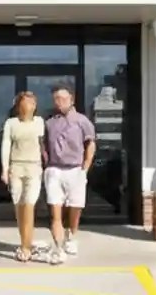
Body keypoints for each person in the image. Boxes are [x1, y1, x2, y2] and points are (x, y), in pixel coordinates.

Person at [42, 84, 96, 265]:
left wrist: (85, 167)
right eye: (56, 99)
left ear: (71, 100)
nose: (60, 102)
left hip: (75, 169)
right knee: (55, 209)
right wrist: (46, 163)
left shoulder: (82, 121)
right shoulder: (49, 122)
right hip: (55, 169)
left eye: (63, 99)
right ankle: (58, 246)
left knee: (75, 206)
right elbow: (43, 145)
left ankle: (72, 236)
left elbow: (91, 144)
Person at [0, 90, 46, 262]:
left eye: (32, 103)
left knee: (29, 205)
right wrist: (5, 169)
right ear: (19, 106)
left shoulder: (39, 122)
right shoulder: (11, 123)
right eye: (26, 103)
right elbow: (6, 145)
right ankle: (24, 241)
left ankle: (26, 248)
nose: (29, 106)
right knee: (19, 206)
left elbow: (43, 145)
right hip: (16, 168)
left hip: (34, 167)